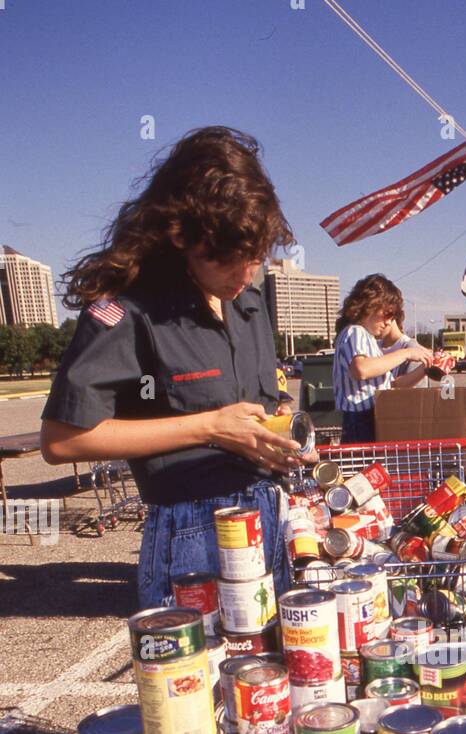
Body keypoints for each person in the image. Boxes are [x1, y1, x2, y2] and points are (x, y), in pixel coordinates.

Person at [41, 126, 314, 607]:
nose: (244, 275)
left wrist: (282, 441)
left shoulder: (250, 306)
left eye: (255, 259)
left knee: (265, 679)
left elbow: (262, 405)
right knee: (196, 681)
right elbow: (63, 440)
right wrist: (209, 427)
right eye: (227, 260)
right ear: (182, 235)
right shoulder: (131, 312)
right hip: (191, 536)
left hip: (268, 521)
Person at [332, 275, 433, 444]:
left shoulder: (368, 339)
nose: (388, 322)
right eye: (386, 314)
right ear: (369, 305)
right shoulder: (355, 332)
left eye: (392, 317)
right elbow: (361, 369)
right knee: (367, 469)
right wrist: (406, 353)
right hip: (361, 422)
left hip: (370, 419)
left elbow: (393, 385)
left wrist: (426, 368)